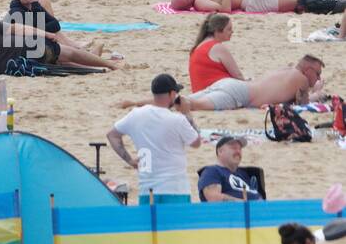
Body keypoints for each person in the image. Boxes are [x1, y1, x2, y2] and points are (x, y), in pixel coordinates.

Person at [107, 74, 201, 205]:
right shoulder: (177, 120)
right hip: (175, 188)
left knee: (151, 225)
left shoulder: (136, 115)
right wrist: (187, 114)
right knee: (177, 225)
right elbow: (196, 142)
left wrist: (130, 160)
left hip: (147, 188)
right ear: (172, 93)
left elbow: (112, 135)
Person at [181, 54, 327, 112]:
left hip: (229, 84)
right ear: (307, 70)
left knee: (185, 100)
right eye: (317, 73)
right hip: (240, 94)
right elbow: (303, 105)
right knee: (194, 106)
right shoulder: (301, 80)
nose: (318, 78)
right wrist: (317, 93)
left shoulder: (287, 71)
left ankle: (164, 102)